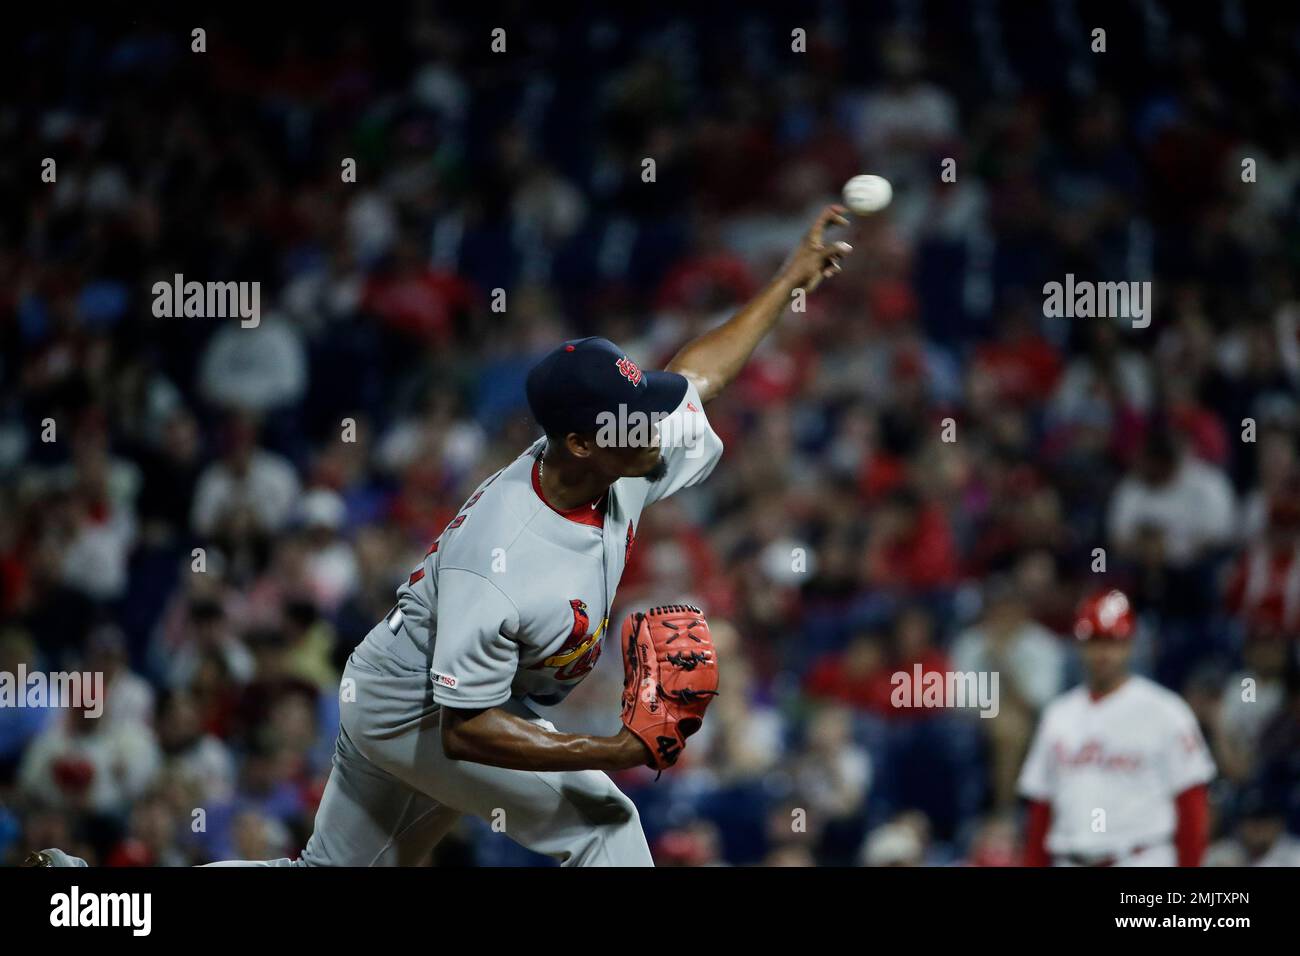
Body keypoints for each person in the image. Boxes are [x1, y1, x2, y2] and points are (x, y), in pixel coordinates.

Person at [26, 205, 854, 869]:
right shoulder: (503, 560)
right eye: (633, 419)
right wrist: (613, 747)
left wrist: (786, 280)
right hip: (422, 710)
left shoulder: (613, 454)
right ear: (580, 440)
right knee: (605, 827)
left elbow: (696, 374)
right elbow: (467, 731)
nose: (656, 427)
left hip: (422, 680)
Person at [1018, 588, 1215, 866]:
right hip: (1069, 858)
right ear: (1080, 645)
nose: (1103, 653)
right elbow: (1041, 809)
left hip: (1141, 857)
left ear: (1129, 645)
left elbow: (1192, 804)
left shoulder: (1166, 711)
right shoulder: (1057, 715)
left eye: (1112, 642)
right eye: (1094, 641)